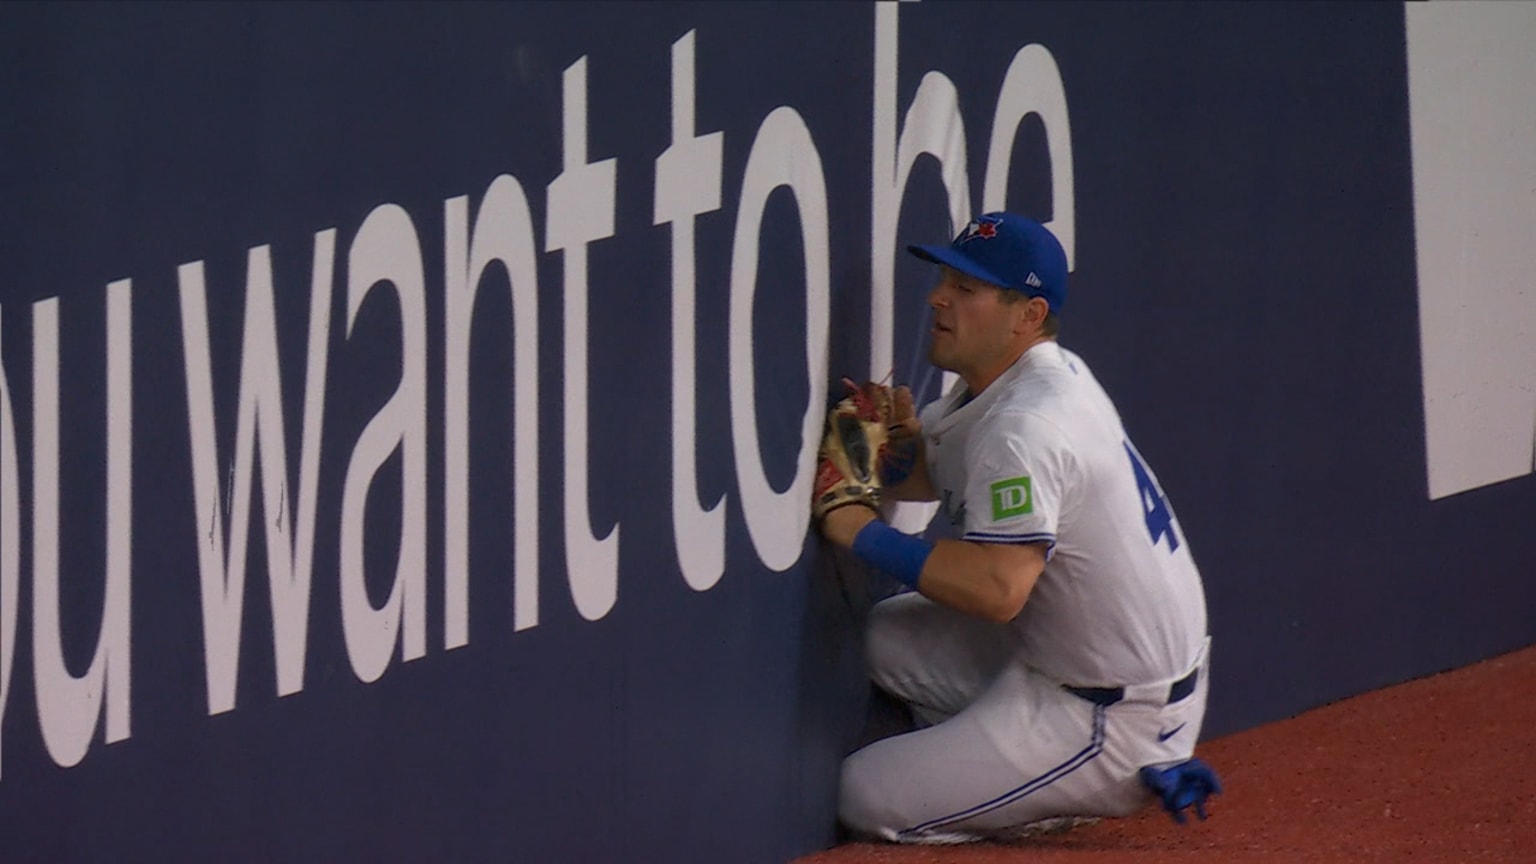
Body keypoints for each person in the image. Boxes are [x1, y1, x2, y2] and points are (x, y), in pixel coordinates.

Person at [816, 212, 1213, 842]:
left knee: (863, 795)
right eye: (945, 277)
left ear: (1026, 315)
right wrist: (895, 455)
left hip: (1107, 711)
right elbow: (943, 475)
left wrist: (858, 530)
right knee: (882, 639)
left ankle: (1076, 786)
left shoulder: (1028, 422)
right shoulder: (1023, 381)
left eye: (966, 289)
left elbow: (997, 591)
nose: (937, 297)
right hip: (1073, 651)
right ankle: (1001, 766)